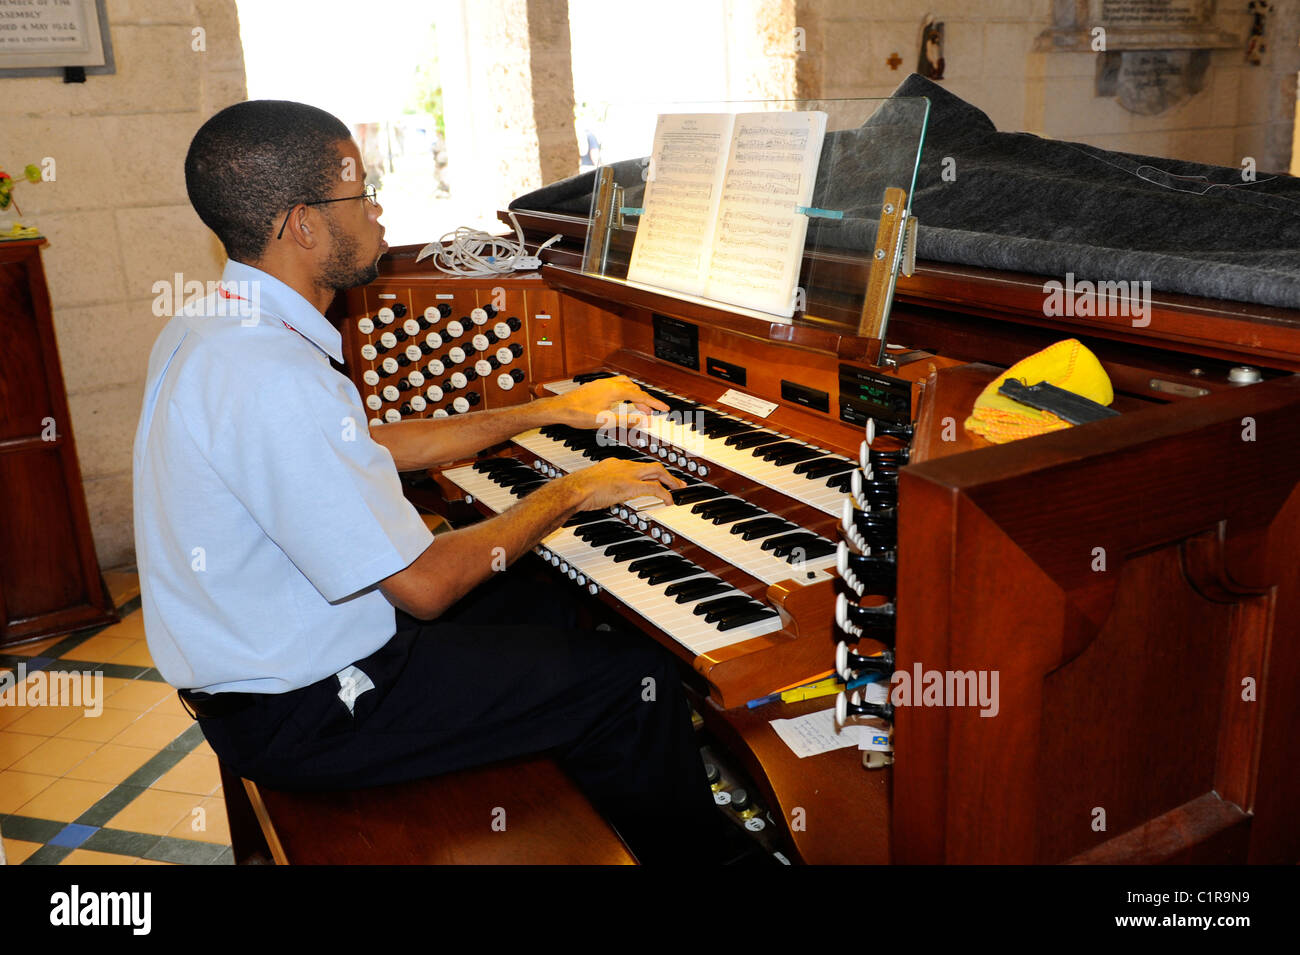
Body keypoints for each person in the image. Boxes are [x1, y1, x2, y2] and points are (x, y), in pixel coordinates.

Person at [132, 100, 720, 863]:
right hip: (310, 707)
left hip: (284, 663)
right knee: (627, 678)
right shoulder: (268, 372)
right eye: (362, 193)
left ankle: (581, 785)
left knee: (549, 592)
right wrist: (575, 488)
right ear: (301, 224)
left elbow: (360, 444)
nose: (379, 212)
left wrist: (549, 409)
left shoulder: (216, 322)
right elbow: (428, 585)